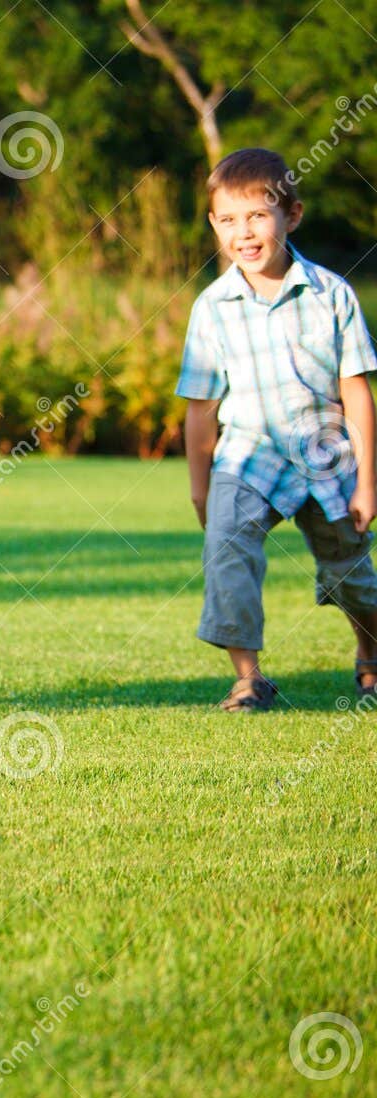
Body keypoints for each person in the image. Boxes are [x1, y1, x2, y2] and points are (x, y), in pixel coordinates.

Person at [177, 148, 377, 711]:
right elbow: (199, 408)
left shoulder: (332, 294)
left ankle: (370, 654)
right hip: (246, 457)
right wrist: (201, 486)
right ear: (215, 225)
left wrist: (367, 482)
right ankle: (249, 678)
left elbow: (358, 391)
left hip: (328, 456)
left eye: (258, 216)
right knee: (227, 550)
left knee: (351, 576)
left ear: (292, 215)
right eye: (229, 219)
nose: (244, 232)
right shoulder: (211, 307)